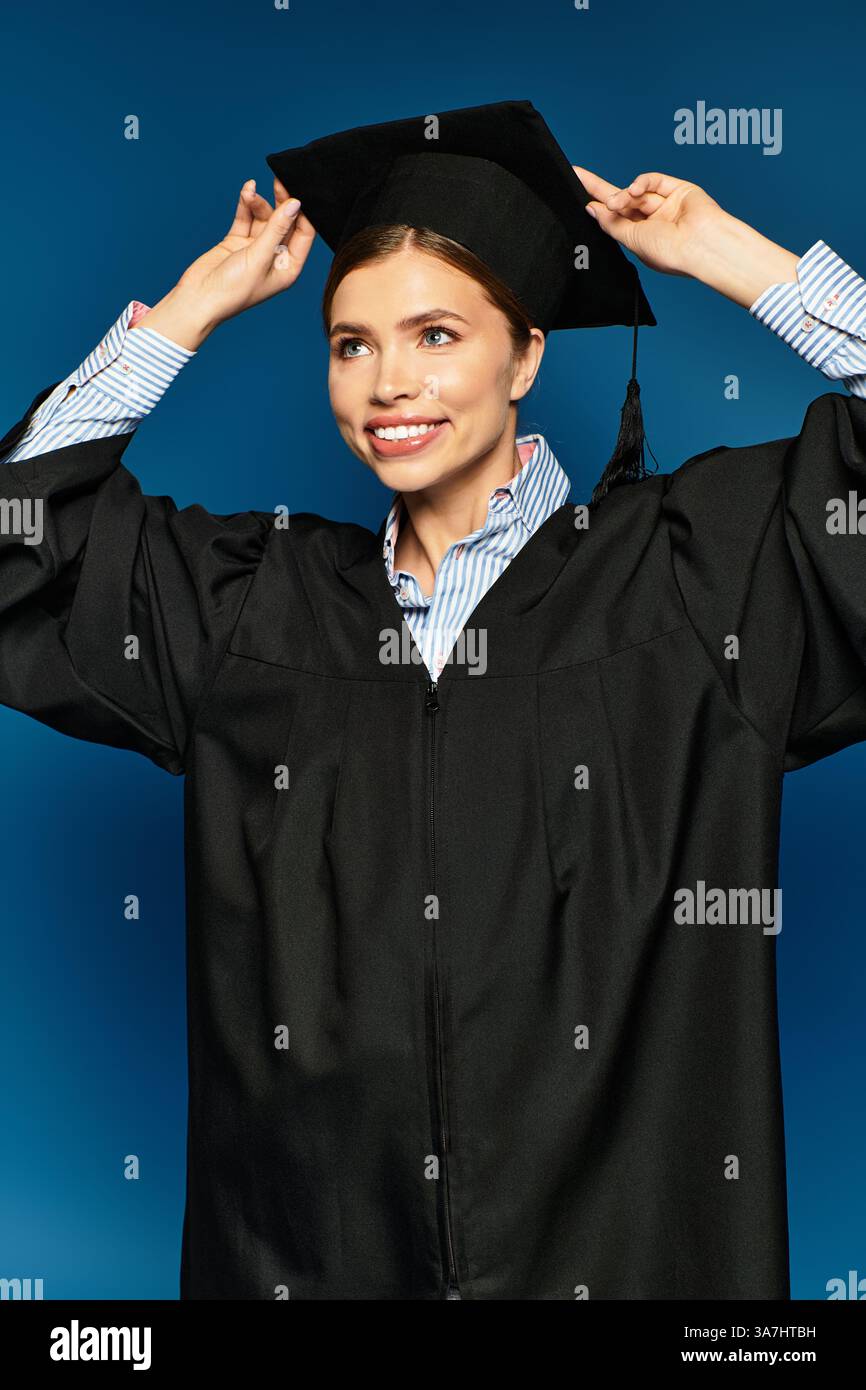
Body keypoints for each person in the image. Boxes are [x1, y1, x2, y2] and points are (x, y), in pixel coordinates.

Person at [1, 99, 864, 1300]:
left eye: (436, 334)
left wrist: (738, 261)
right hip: (303, 1261)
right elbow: (17, 546)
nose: (386, 382)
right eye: (349, 344)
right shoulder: (256, 608)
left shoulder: (692, 581)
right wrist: (186, 313)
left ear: (526, 356)